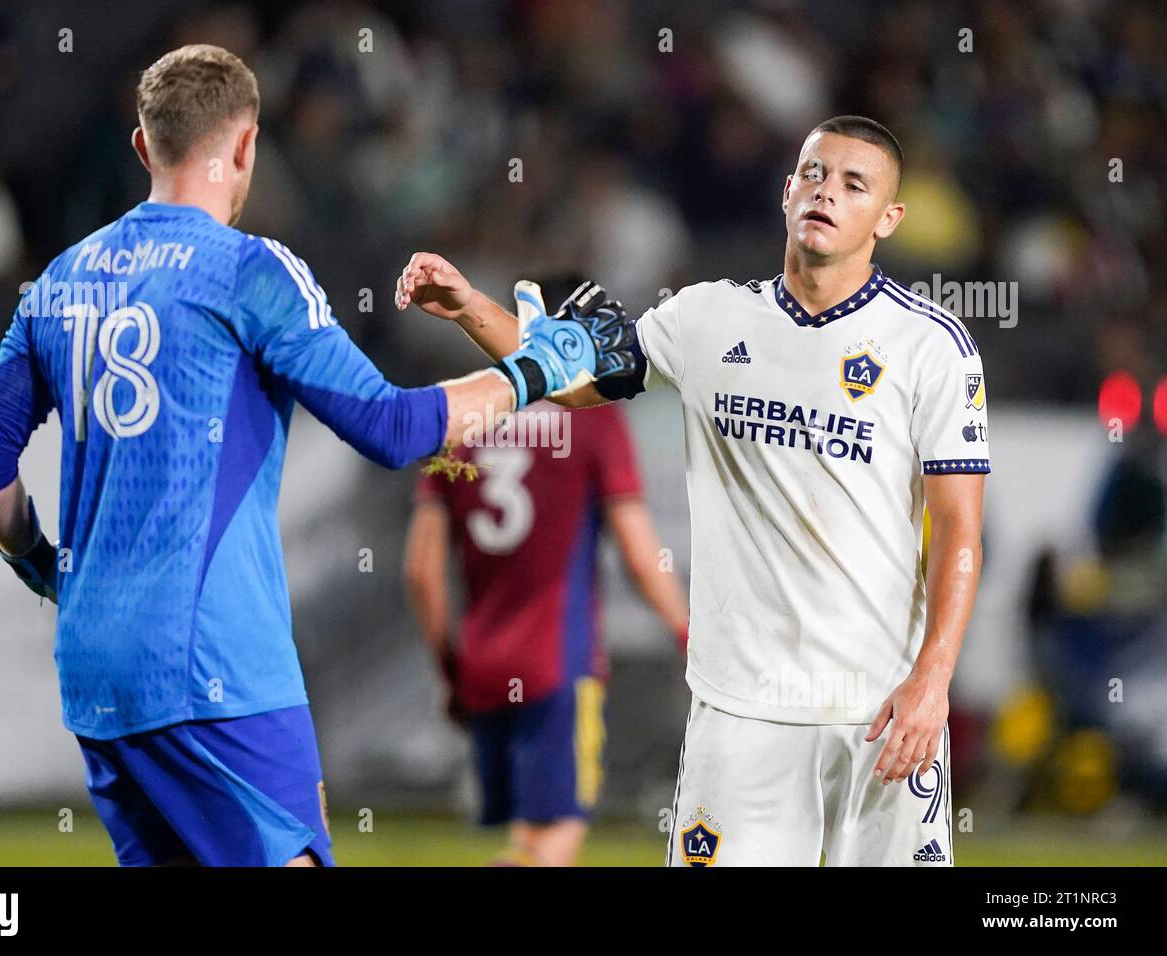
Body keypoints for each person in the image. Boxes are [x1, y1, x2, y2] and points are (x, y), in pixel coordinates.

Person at [0, 44, 634, 867]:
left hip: (100, 671)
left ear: (142, 147)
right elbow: (392, 429)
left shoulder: (61, 280)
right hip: (214, 665)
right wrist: (537, 370)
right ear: (245, 147)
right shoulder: (251, 271)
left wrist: (45, 569)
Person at [395, 115, 989, 866]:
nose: (826, 193)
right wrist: (471, 309)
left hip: (875, 709)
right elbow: (577, 382)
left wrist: (933, 678)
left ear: (889, 217)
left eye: (853, 184)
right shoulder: (707, 317)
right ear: (785, 192)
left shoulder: (930, 347)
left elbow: (959, 531)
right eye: (813, 174)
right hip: (739, 716)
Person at [405, 283, 687, 865]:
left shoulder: (466, 416)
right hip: (557, 663)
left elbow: (420, 568)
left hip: (482, 663)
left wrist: (449, 668)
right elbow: (639, 553)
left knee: (529, 842)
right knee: (554, 840)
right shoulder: (592, 423)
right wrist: (688, 633)